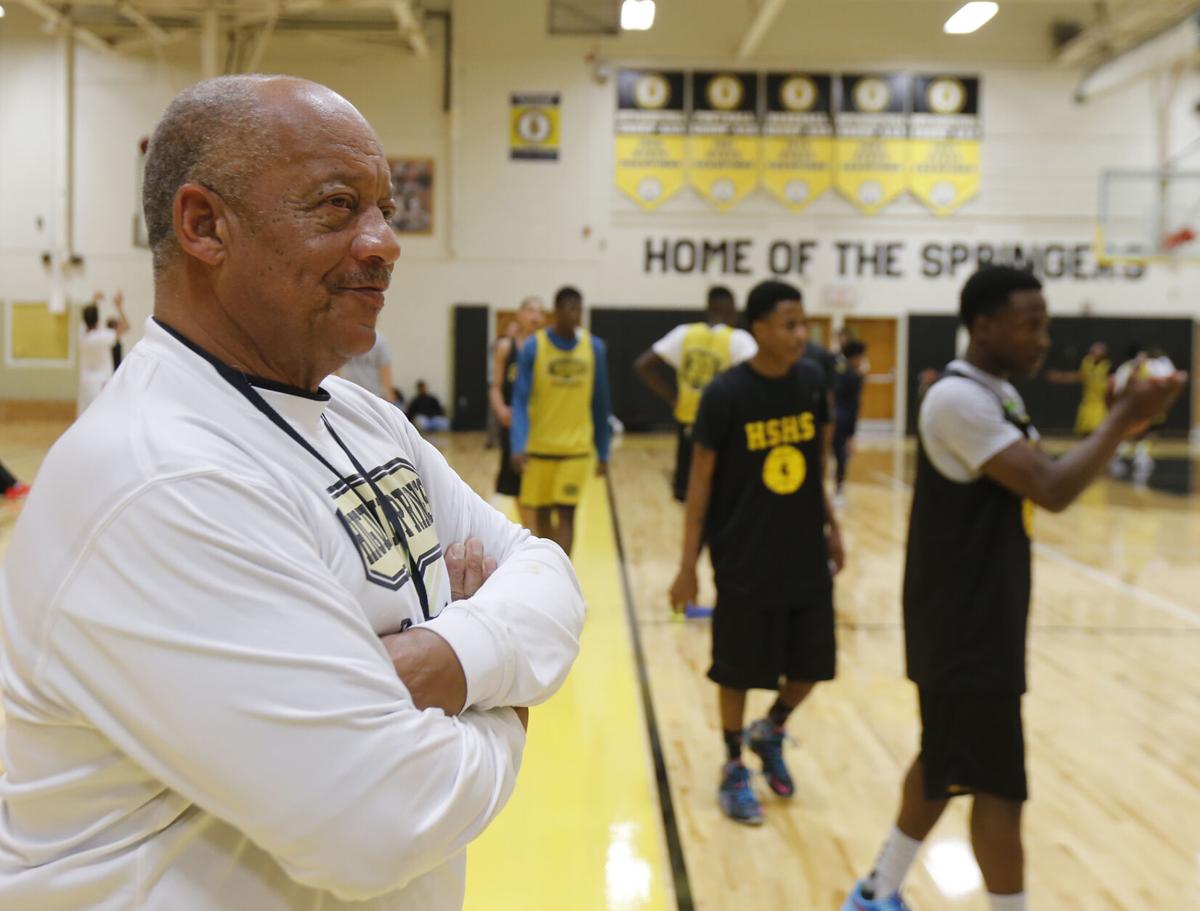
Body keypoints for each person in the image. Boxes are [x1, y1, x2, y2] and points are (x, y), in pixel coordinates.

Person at [0, 75, 585, 911]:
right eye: (338, 206)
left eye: (384, 209)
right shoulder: (159, 476)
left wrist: (450, 660)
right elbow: (383, 819)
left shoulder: (362, 417)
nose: (385, 242)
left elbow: (545, 571)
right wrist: (509, 701)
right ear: (205, 226)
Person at [842, 266, 1184, 911]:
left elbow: (1047, 472)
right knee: (999, 786)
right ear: (984, 325)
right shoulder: (957, 400)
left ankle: (876, 891)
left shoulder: (994, 393)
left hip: (978, 614)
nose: (1043, 339)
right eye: (1031, 325)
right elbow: (1050, 489)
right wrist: (1120, 418)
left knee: (944, 761)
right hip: (963, 621)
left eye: (1044, 325)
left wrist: (1128, 421)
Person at [669, 279, 845, 826]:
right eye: (789, 325)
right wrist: (687, 566)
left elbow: (815, 465)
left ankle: (770, 729)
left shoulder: (812, 381)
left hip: (803, 549)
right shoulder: (725, 395)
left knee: (814, 665)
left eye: (803, 323)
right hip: (743, 552)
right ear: (759, 329)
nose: (800, 334)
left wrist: (833, 525)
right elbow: (700, 484)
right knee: (737, 669)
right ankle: (732, 764)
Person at [510, 285, 611, 556]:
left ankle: (562, 574)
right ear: (556, 311)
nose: (574, 314)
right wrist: (518, 444)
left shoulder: (594, 348)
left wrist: (603, 451)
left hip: (576, 450)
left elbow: (601, 403)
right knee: (542, 515)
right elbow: (520, 400)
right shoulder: (534, 347)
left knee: (567, 514)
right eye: (569, 308)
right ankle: (551, 570)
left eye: (578, 309)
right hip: (540, 448)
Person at [634, 285, 757, 501]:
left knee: (689, 494)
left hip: (690, 423)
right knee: (723, 495)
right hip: (726, 426)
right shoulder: (739, 339)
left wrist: (672, 397)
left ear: (708, 308)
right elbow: (757, 376)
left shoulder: (684, 334)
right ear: (732, 310)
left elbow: (642, 365)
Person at [490, 296, 546, 521]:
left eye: (540, 311)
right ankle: (529, 527)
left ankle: (537, 527)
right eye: (530, 310)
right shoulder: (506, 347)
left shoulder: (545, 348)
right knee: (515, 480)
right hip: (514, 424)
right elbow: (495, 387)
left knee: (537, 479)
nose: (535, 315)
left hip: (539, 424)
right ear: (519, 314)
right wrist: (501, 410)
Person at [77, 290, 129, 415]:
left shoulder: (81, 336)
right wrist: (119, 307)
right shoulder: (103, 337)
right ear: (98, 320)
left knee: (84, 416)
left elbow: (87, 318)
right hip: (101, 383)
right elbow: (126, 326)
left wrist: (94, 301)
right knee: (100, 415)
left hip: (85, 382)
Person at [1045, 341, 1110, 435]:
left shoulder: (1108, 367)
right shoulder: (1087, 363)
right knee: (1085, 433)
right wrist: (1059, 377)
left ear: (1104, 353)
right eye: (1093, 348)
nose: (1094, 350)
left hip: (1101, 405)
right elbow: (1078, 376)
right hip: (1087, 403)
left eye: (1098, 349)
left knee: (1098, 433)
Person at [832, 339, 868, 501]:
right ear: (856, 356)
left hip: (831, 417)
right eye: (862, 357)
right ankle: (839, 490)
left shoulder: (836, 370)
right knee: (841, 455)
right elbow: (854, 406)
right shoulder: (854, 376)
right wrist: (851, 435)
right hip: (843, 419)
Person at [340, 332, 400, 404]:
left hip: (371, 394)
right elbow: (338, 366)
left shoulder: (379, 340)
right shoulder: (346, 337)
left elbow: (384, 368)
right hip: (348, 392)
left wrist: (389, 393)